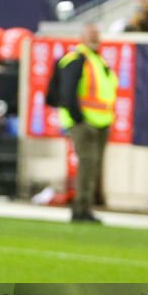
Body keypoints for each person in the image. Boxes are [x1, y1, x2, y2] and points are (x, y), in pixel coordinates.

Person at [55, 23, 116, 223]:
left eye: (97, 33)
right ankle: (80, 209)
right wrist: (79, 120)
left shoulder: (99, 60)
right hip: (85, 123)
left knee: (93, 167)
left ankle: (86, 207)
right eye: (91, 33)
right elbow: (67, 92)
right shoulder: (76, 59)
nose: (95, 37)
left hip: (101, 122)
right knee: (87, 165)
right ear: (81, 36)